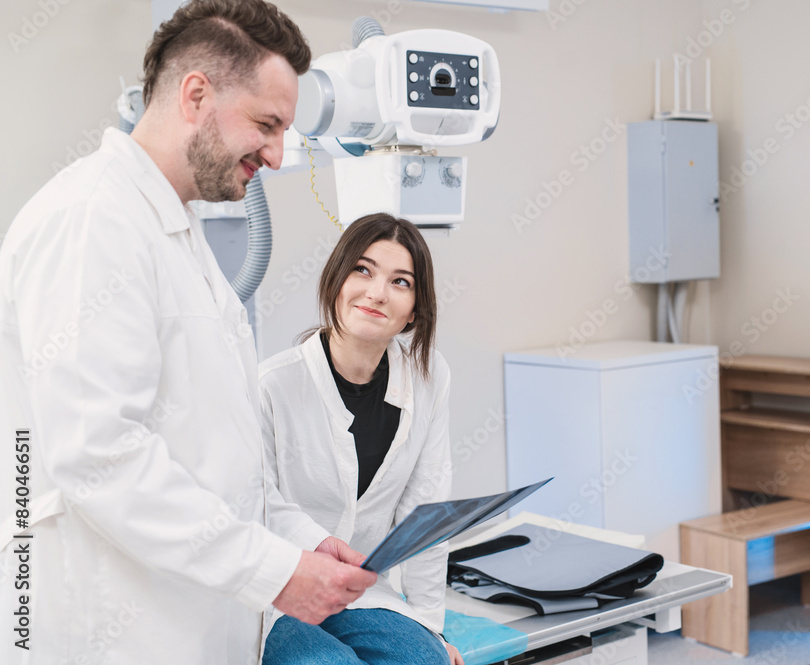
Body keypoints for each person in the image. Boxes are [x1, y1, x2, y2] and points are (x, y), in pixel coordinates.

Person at [0, 2, 377, 663]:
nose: (278, 152)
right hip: (107, 631)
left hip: (193, 625)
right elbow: (98, 454)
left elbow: (214, 463)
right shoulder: (95, 220)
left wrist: (293, 542)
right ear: (196, 94)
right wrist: (275, 571)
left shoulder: (177, 234)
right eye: (267, 124)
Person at [258, 214, 463, 665]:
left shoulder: (429, 378)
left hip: (363, 596)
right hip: (277, 596)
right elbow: (256, 503)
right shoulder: (273, 385)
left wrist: (431, 630)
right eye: (363, 270)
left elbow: (425, 514)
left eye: (400, 281)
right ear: (337, 277)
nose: (377, 293)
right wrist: (313, 544)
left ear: (415, 309)